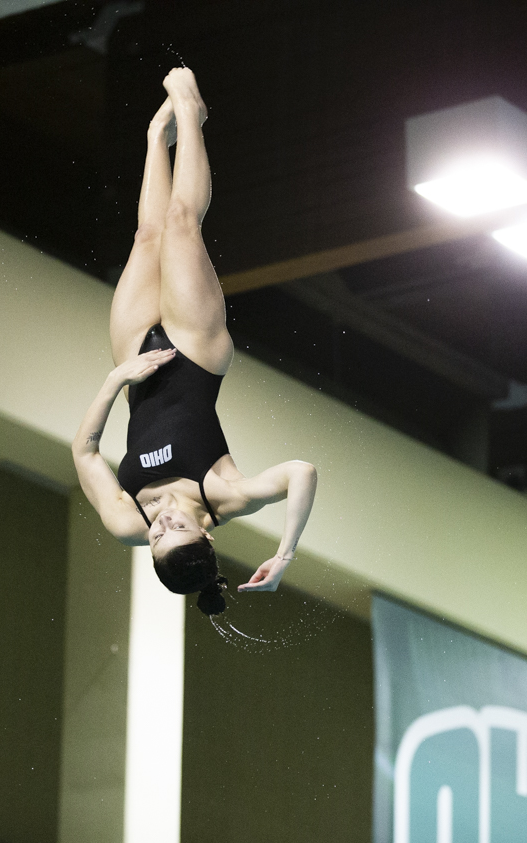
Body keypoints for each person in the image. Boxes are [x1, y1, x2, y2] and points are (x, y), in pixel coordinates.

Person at [72, 67, 318, 616]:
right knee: (182, 225)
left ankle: (157, 139)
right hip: (194, 351)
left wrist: (116, 381)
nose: (160, 523)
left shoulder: (125, 522)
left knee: (147, 235)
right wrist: (285, 552)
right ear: (206, 537)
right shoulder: (224, 497)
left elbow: (84, 452)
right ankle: (190, 106)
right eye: (175, 529)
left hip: (133, 358)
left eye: (157, 537)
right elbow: (302, 472)